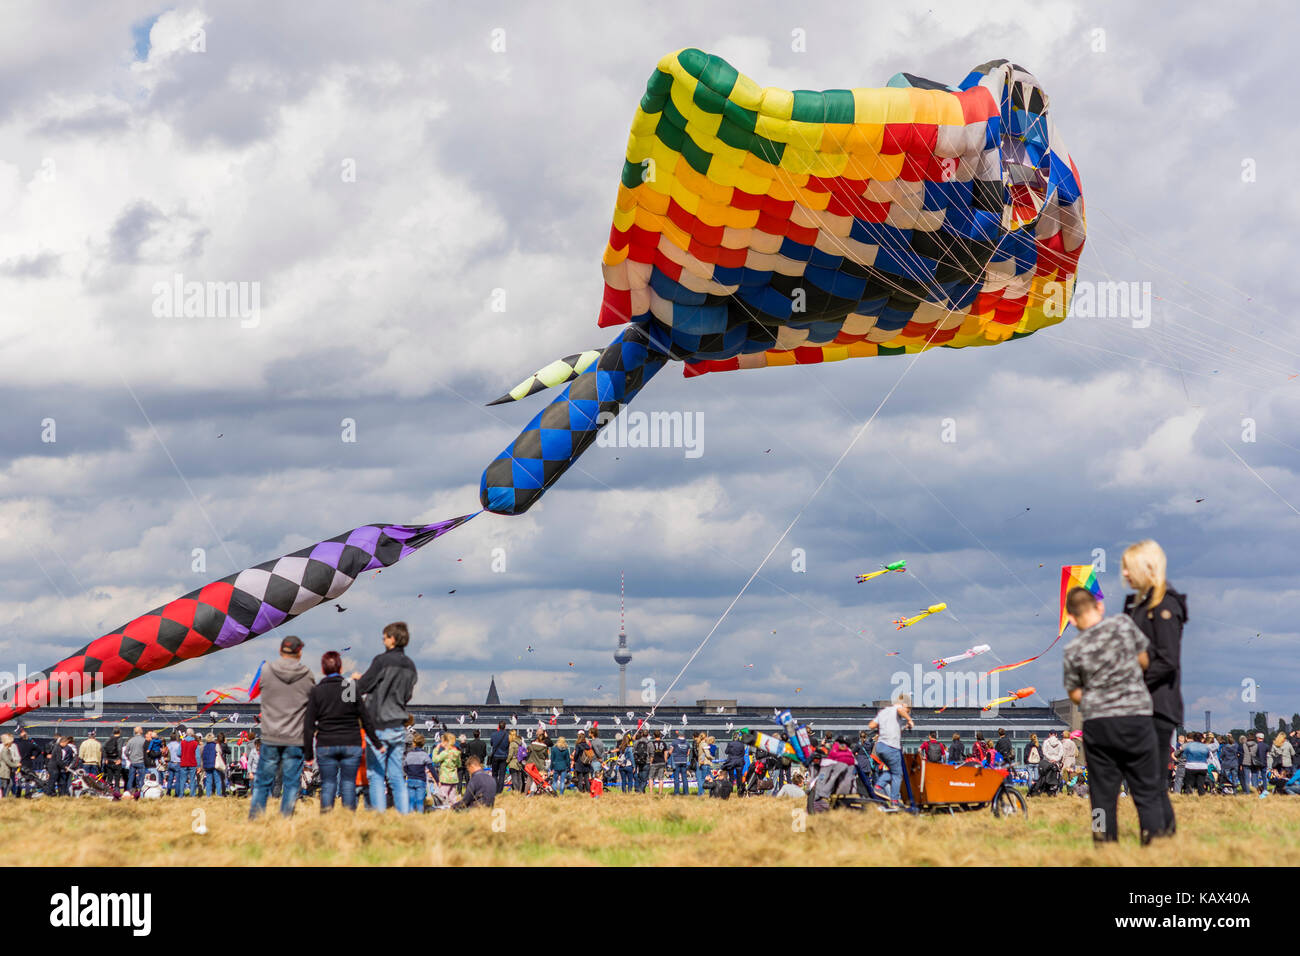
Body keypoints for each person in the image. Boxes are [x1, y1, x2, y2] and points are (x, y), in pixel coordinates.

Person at [1062, 585, 1167, 844]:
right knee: (1147, 789)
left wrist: (1097, 698)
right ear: (1100, 607)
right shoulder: (1122, 625)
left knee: (1101, 794)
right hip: (1137, 718)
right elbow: (1145, 661)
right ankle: (1155, 843)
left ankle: (1103, 842)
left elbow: (1075, 693)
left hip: (1099, 724)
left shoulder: (1072, 650)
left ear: (1071, 618)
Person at [1122, 540, 1185, 836]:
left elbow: (1168, 660)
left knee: (1149, 778)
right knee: (1146, 778)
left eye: (1128, 567)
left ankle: (1158, 835)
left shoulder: (1164, 605)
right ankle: (1161, 836)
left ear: (1147, 568)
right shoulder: (1139, 605)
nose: (1123, 573)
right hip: (1142, 704)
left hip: (1157, 704)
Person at [352, 622, 417, 814]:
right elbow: (407, 696)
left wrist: (356, 679)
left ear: (393, 639)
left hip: (378, 725)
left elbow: (361, 687)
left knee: (376, 775)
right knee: (396, 775)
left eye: (385, 637)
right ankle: (404, 815)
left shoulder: (381, 661)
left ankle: (379, 815)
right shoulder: (411, 666)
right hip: (398, 725)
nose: (383, 640)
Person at [249, 635, 315, 820]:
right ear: (299, 652)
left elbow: (253, 691)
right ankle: (286, 818)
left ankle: (256, 818)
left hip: (271, 736)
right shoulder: (307, 675)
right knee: (292, 783)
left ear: (280, 651)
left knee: (263, 782)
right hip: (295, 737)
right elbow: (311, 707)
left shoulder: (266, 671)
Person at [303, 650, 376, 812]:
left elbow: (308, 723)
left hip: (326, 742)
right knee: (348, 783)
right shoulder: (349, 687)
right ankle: (348, 818)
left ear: (322, 670)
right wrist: (376, 742)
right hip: (350, 741)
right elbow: (364, 717)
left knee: (328, 783)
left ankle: (327, 818)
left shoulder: (317, 690)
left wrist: (308, 753)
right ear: (341, 669)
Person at [869, 695, 913, 808]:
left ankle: (879, 787)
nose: (907, 712)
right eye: (908, 710)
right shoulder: (897, 709)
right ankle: (894, 800)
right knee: (898, 774)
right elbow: (899, 709)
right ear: (904, 705)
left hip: (880, 747)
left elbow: (871, 725)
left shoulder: (883, 712)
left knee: (893, 771)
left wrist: (902, 727)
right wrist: (909, 719)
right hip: (891, 747)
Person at [403, 732, 434, 812]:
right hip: (421, 780)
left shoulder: (409, 754)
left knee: (411, 800)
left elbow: (405, 766)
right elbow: (431, 767)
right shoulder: (424, 754)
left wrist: (409, 773)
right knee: (420, 801)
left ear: (414, 743)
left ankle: (410, 815)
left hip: (411, 780)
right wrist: (437, 779)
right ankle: (419, 815)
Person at [432, 733, 462, 804]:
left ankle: (444, 809)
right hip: (454, 778)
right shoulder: (456, 753)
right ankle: (454, 809)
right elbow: (459, 764)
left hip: (445, 778)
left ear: (446, 742)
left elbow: (435, 760)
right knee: (452, 797)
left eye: (442, 741)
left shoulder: (445, 753)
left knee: (442, 795)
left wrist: (436, 749)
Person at [176, 727, 200, 797]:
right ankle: (192, 794)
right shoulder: (195, 743)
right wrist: (198, 766)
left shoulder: (182, 742)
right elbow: (197, 756)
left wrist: (183, 755)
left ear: (186, 734)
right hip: (192, 764)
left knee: (182, 780)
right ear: (193, 734)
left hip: (183, 763)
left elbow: (178, 753)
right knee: (192, 780)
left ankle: (181, 795)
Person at [463, 730, 487, 794]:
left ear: (473, 735)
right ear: (479, 735)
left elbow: (467, 753)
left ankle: (473, 792)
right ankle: (481, 791)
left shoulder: (470, 743)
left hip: (473, 763)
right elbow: (485, 754)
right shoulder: (483, 743)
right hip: (480, 762)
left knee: (472, 778)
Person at [123, 727, 147, 791]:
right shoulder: (144, 740)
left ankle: (129, 792)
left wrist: (129, 758)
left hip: (133, 761)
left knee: (130, 779)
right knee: (142, 779)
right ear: (140, 731)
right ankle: (141, 792)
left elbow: (126, 752)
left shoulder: (131, 740)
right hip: (141, 761)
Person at [489, 721, 510, 790]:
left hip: (495, 756)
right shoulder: (507, 735)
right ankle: (500, 790)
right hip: (504, 756)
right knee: (502, 775)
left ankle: (495, 788)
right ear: (505, 727)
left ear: (498, 726)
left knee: (494, 774)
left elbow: (491, 744)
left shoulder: (494, 734)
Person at [670, 729, 692, 795]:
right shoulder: (687, 743)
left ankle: (677, 792)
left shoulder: (674, 742)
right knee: (684, 777)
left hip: (676, 761)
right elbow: (688, 753)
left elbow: (670, 751)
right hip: (684, 761)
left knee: (676, 778)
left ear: (678, 734)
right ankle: (686, 792)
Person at [506, 730, 525, 794]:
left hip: (513, 763)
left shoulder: (512, 743)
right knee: (519, 778)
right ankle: (520, 791)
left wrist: (507, 761)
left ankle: (516, 792)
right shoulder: (520, 742)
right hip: (519, 762)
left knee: (514, 778)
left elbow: (510, 754)